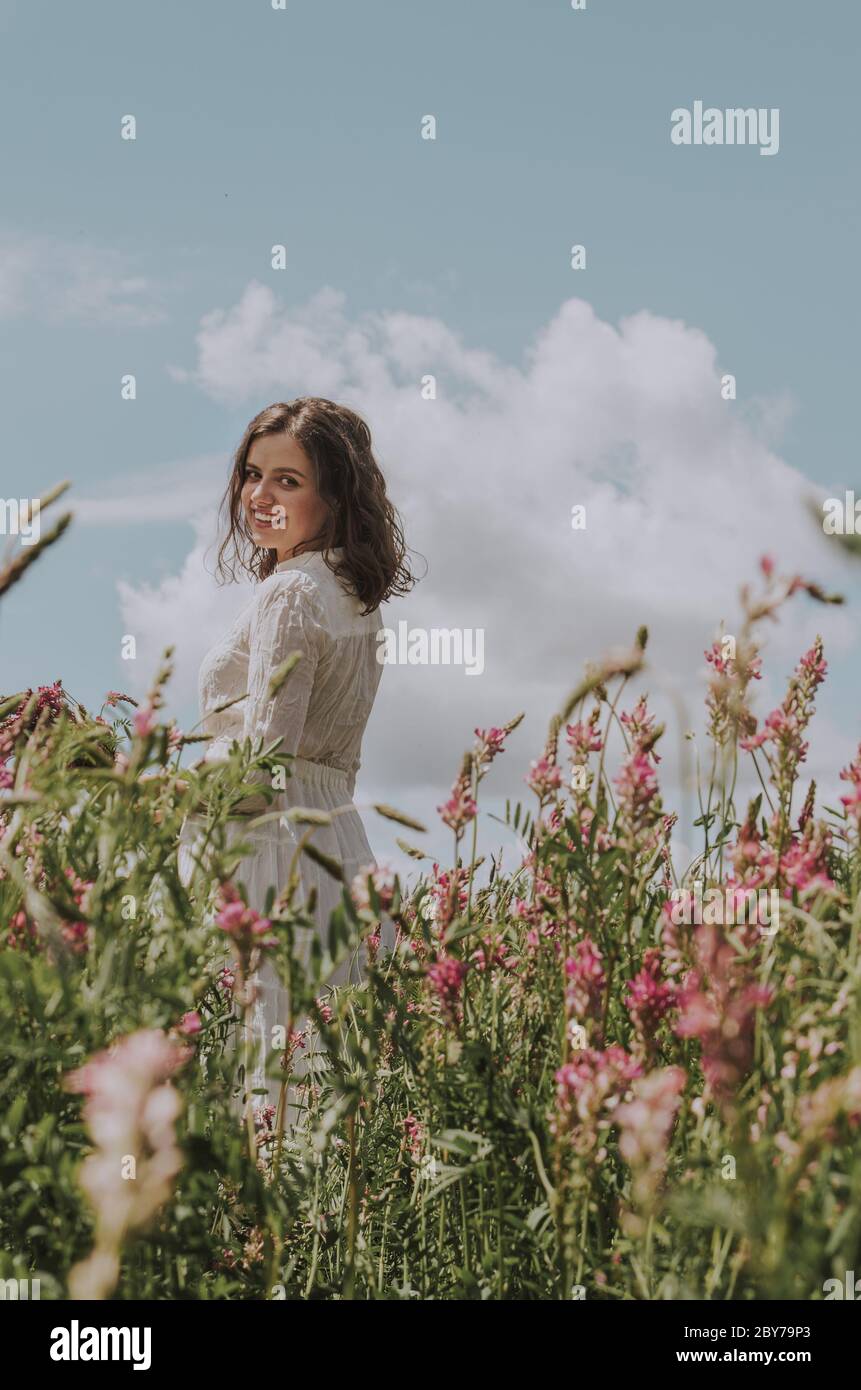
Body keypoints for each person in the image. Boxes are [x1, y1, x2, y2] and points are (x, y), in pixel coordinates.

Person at [178, 397, 415, 1124]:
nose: (259, 495)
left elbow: (263, 769)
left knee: (252, 1092)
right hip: (338, 851)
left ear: (334, 495)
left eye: (287, 480)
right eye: (252, 474)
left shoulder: (288, 593)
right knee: (324, 1096)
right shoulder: (354, 595)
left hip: (265, 858)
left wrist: (153, 791)